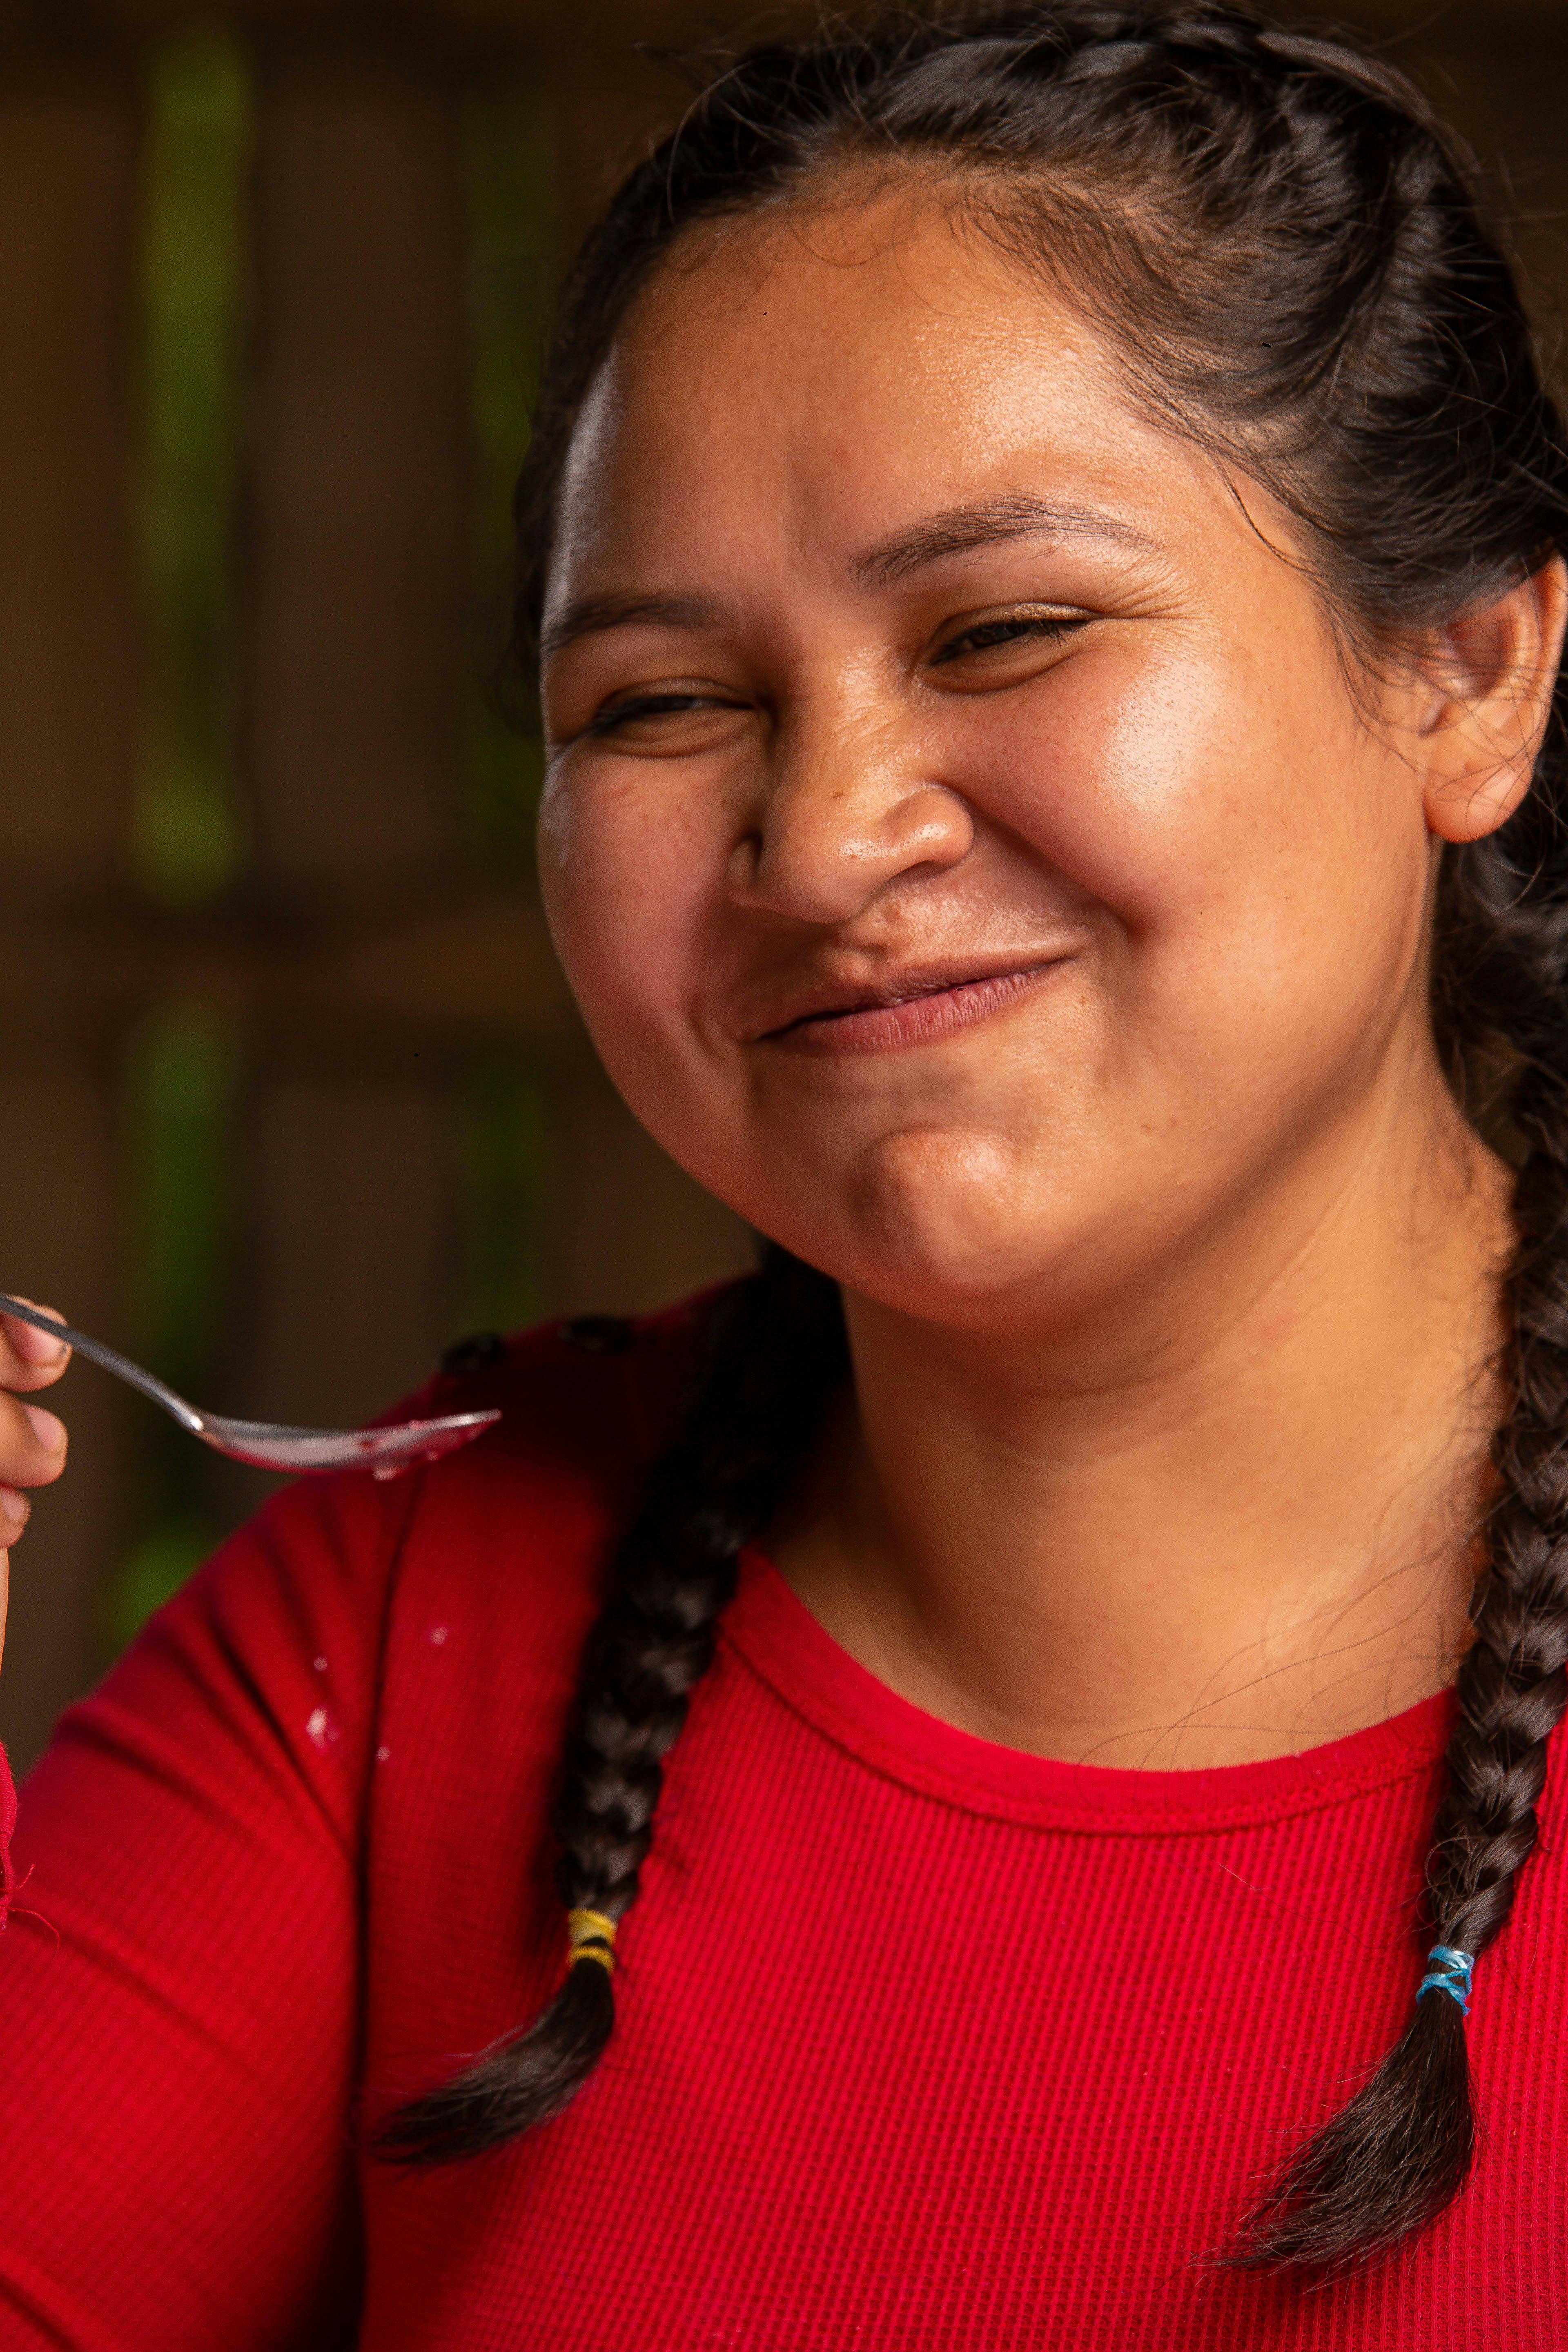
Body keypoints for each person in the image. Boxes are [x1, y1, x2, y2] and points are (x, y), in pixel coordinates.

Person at [1, 2, 1566, 2341]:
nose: (826, 843)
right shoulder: (389, 1642)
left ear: (1464, 669)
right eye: (661, 705)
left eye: (1008, 631)